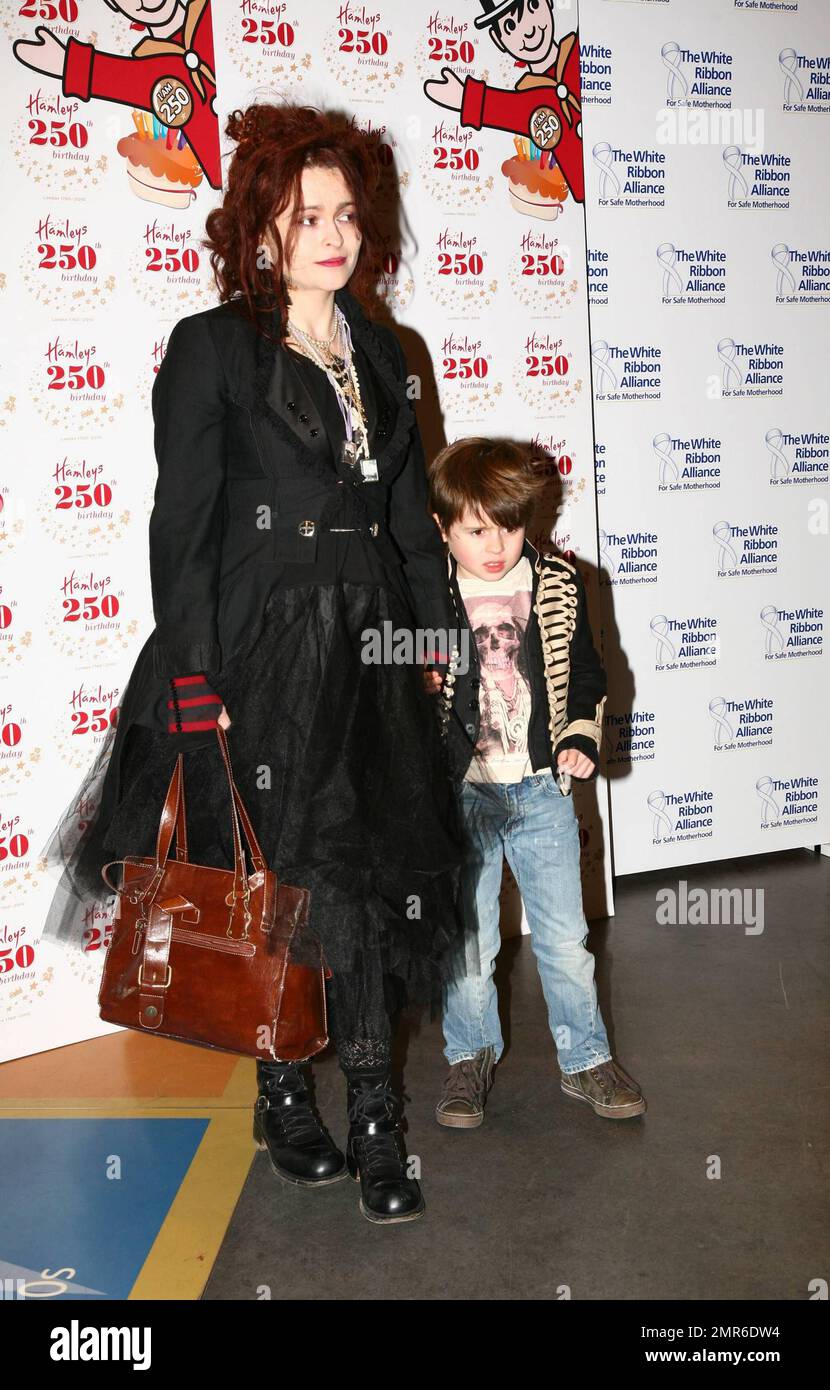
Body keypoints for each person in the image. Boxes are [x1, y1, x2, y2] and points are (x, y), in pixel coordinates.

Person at [38, 102, 468, 1225]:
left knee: (369, 892)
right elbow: (181, 524)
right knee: (272, 893)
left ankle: (380, 1123)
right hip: (256, 653)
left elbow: (411, 523)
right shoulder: (212, 347)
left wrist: (434, 651)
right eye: (305, 215)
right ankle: (285, 1099)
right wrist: (191, 673)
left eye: (347, 215)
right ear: (260, 232)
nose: (334, 235)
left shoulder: (388, 352)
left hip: (370, 653)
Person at [425, 437, 645, 1126]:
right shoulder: (426, 589)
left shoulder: (557, 580)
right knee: (468, 943)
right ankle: (468, 1057)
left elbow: (587, 672)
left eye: (511, 526)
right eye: (475, 531)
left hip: (543, 792)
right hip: (464, 794)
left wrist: (579, 736)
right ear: (442, 527)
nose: (496, 545)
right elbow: (399, 679)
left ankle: (585, 1060)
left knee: (564, 938)